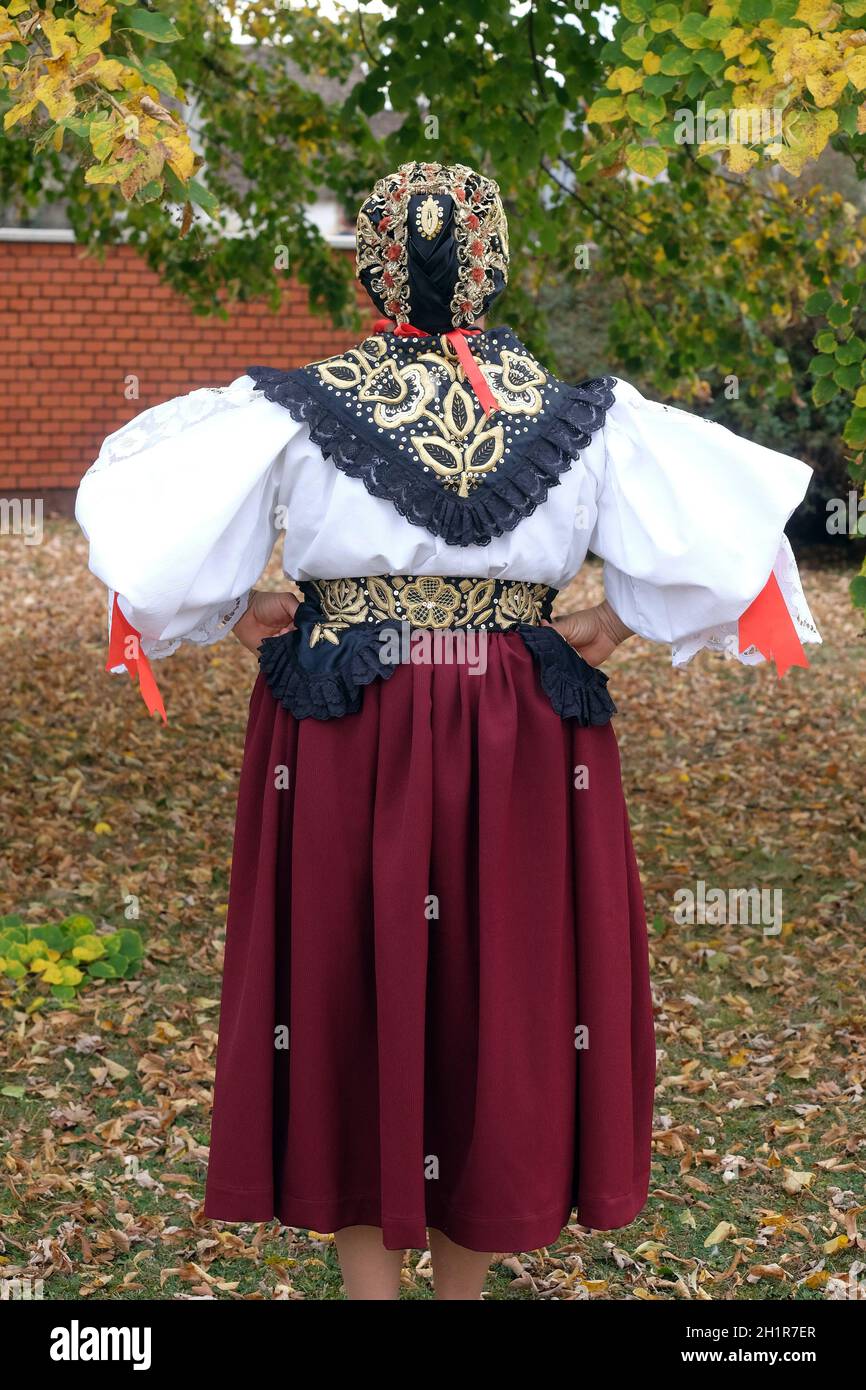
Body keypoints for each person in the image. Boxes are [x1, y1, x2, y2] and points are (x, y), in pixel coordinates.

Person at [75, 160, 821, 1301]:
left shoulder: (293, 407)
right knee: (498, 999)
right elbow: (734, 540)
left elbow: (151, 550)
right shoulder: (583, 412)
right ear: (494, 258)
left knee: (347, 993)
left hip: (345, 713)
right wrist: (612, 621)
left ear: (374, 261)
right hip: (518, 723)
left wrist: (242, 613)